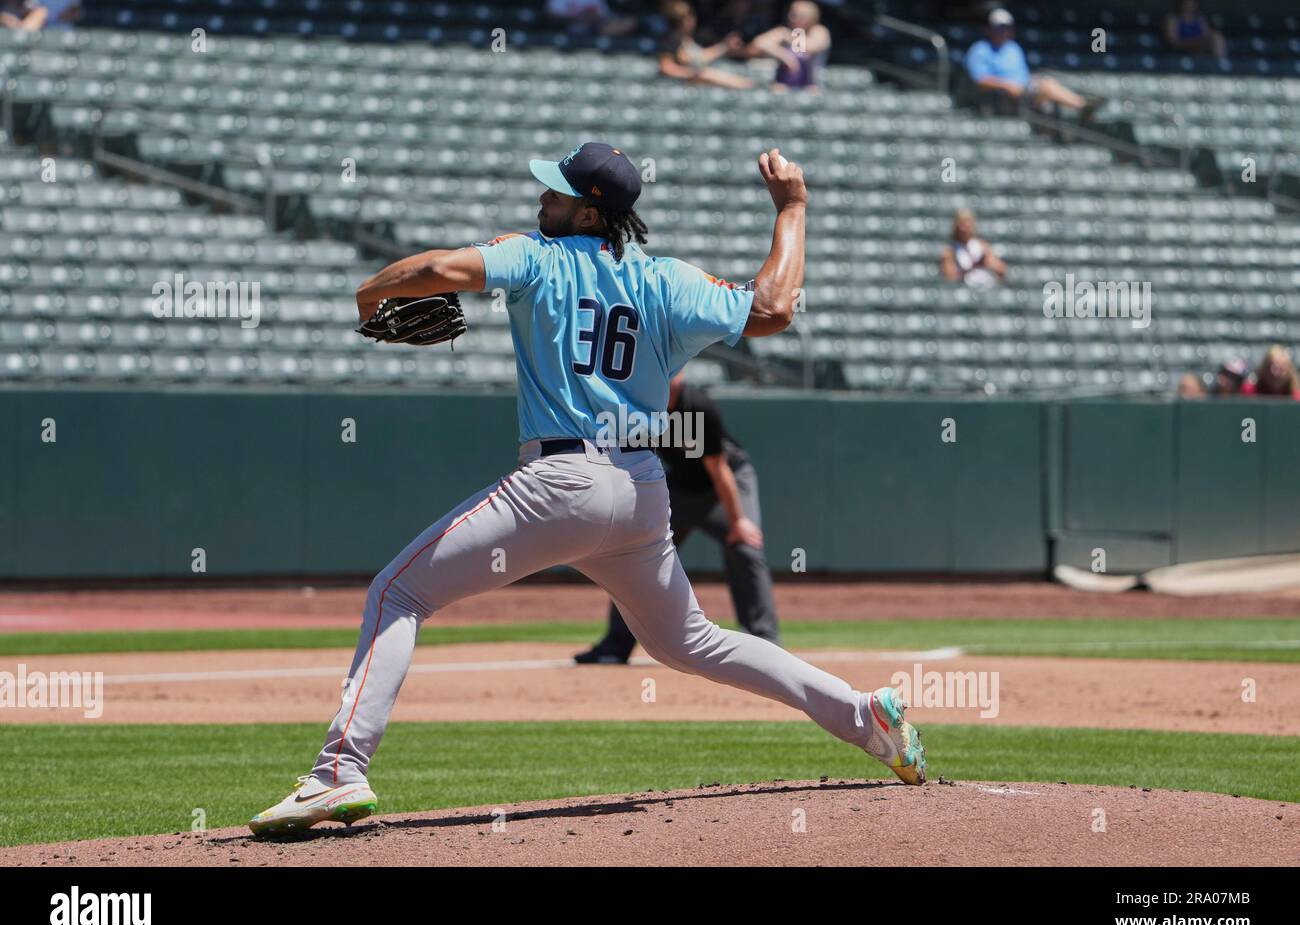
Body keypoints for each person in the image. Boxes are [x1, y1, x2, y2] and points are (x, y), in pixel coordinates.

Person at [248, 142, 926, 835]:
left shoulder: (535, 257)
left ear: (590, 209)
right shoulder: (667, 279)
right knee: (689, 642)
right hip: (638, 492)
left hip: (561, 482)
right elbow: (776, 308)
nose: (543, 199)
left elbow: (438, 269)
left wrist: (373, 290)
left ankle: (338, 772)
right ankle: (859, 713)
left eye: (556, 192)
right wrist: (792, 208)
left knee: (399, 592)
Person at [575, 370, 781, 664]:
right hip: (679, 488)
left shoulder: (697, 405)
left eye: (670, 372)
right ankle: (614, 646)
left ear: (680, 376)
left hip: (724, 483)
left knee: (745, 546)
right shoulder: (640, 408)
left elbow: (719, 468)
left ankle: (765, 642)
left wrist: (738, 521)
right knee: (634, 551)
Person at [964, 8, 1101, 120]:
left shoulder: (1013, 48)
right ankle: (1081, 105)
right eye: (999, 28)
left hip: (1025, 92)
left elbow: (1023, 74)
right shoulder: (979, 50)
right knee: (1047, 86)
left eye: (1007, 27)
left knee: (1048, 97)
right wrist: (1006, 85)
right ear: (989, 29)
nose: (1004, 31)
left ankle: (1072, 121)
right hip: (1004, 97)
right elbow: (980, 80)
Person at [733, 0, 831, 92]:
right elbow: (759, 43)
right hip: (784, 84)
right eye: (791, 14)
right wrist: (785, 56)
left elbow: (811, 46)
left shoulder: (819, 31)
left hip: (810, 85)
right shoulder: (783, 32)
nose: (791, 18)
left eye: (797, 15)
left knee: (812, 92)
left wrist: (787, 36)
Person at [657, 1, 755, 90]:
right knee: (706, 74)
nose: (693, 21)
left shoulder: (686, 40)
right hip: (679, 86)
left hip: (695, 84)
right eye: (690, 17)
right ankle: (747, 86)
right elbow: (666, 68)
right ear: (683, 21)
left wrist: (724, 46)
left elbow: (700, 57)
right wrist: (691, 74)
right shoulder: (671, 41)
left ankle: (747, 85)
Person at [940, 208, 1006, 287]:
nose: (964, 228)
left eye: (967, 223)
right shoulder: (950, 250)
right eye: (961, 224)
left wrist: (986, 263)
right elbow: (950, 277)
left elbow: (1001, 270)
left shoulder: (982, 246)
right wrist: (970, 268)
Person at [545, 0, 637, 38]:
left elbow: (602, 15)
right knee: (577, 29)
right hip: (568, 28)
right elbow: (552, 15)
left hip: (594, 27)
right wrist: (581, 17)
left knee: (628, 21)